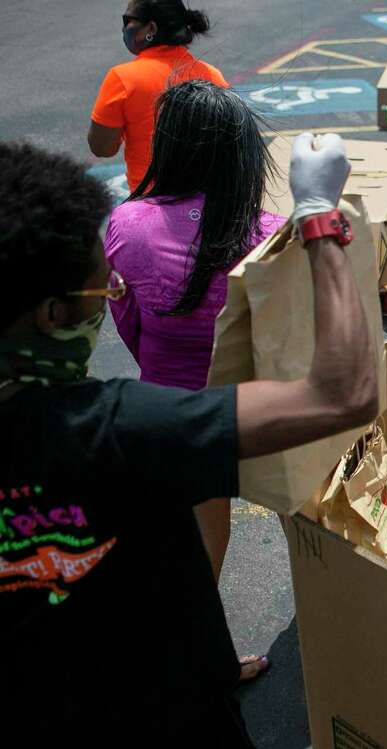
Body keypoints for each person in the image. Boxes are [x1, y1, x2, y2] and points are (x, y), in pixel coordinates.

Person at [0, 134, 373, 749]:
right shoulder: (121, 429)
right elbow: (343, 395)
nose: (110, 290)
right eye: (98, 283)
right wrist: (318, 213)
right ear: (54, 315)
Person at [104, 79, 285, 681]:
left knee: (197, 549)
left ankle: (195, 661)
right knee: (308, 524)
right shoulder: (270, 231)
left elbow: (129, 324)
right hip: (255, 410)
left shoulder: (128, 225)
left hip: (168, 413)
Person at [89, 1, 227, 193]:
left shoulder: (123, 78)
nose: (124, 28)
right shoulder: (214, 76)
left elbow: (102, 148)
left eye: (128, 20)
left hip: (150, 205)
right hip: (205, 206)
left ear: (151, 28)